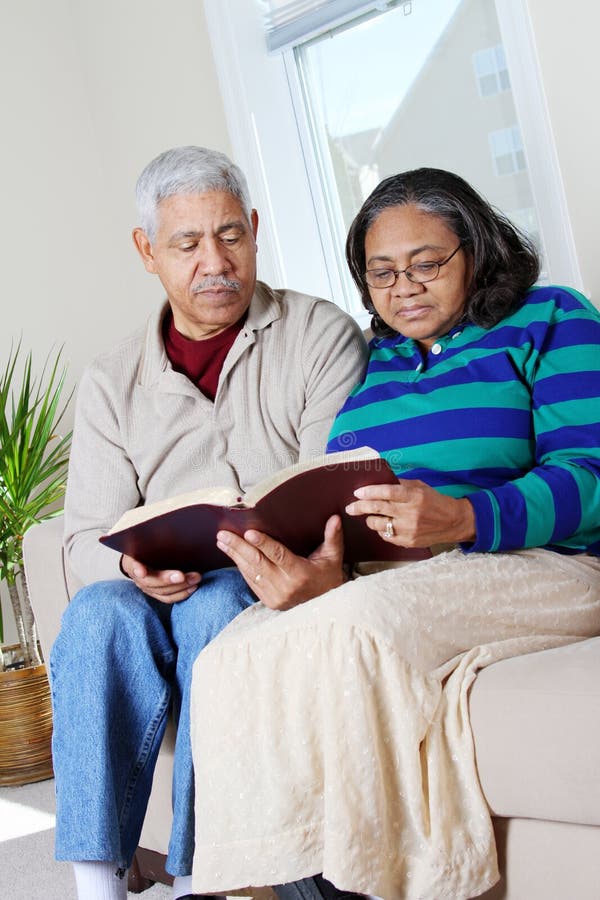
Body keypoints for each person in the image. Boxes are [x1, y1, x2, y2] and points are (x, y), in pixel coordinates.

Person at [189, 168, 600, 900]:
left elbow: (591, 472)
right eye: (381, 273)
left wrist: (467, 518)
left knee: (351, 631)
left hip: (545, 563)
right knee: (229, 655)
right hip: (399, 576)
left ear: (477, 250)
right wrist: (327, 573)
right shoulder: (376, 363)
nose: (403, 288)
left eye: (426, 264)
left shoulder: (552, 318)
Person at [49, 145, 368, 900]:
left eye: (229, 235)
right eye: (187, 243)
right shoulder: (112, 378)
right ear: (147, 251)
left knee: (219, 604)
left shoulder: (318, 334)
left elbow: (329, 490)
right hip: (150, 593)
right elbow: (80, 539)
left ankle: (200, 876)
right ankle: (96, 884)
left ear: (255, 229)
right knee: (95, 613)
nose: (214, 262)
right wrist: (129, 566)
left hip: (264, 585)